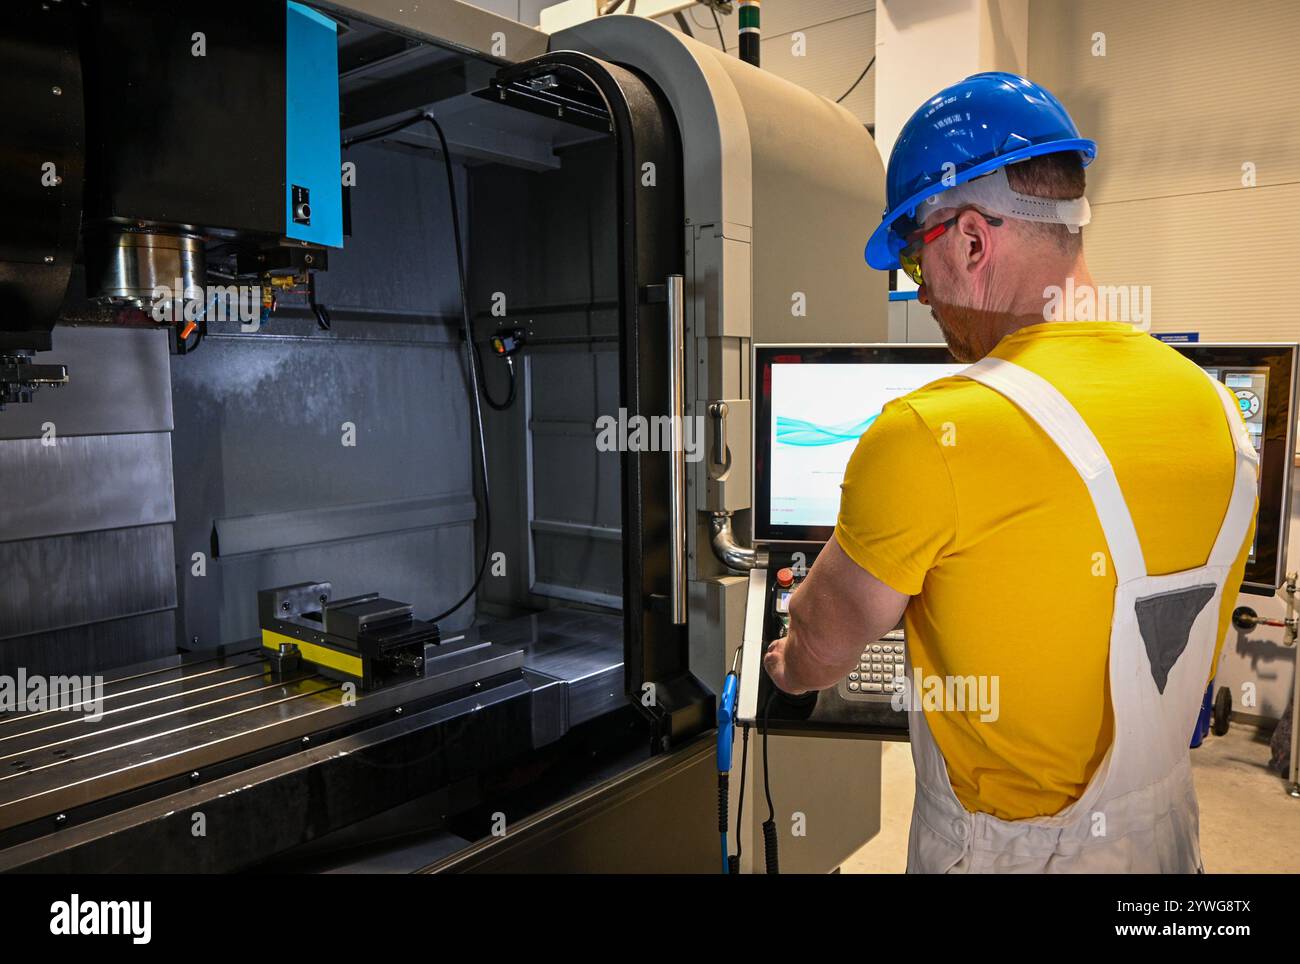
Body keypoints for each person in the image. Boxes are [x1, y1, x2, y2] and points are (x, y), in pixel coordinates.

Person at [763, 72, 1257, 873]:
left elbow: (821, 645)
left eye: (918, 270)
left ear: (969, 240)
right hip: (1168, 842)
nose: (923, 298)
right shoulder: (1219, 414)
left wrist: (783, 662)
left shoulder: (930, 432)